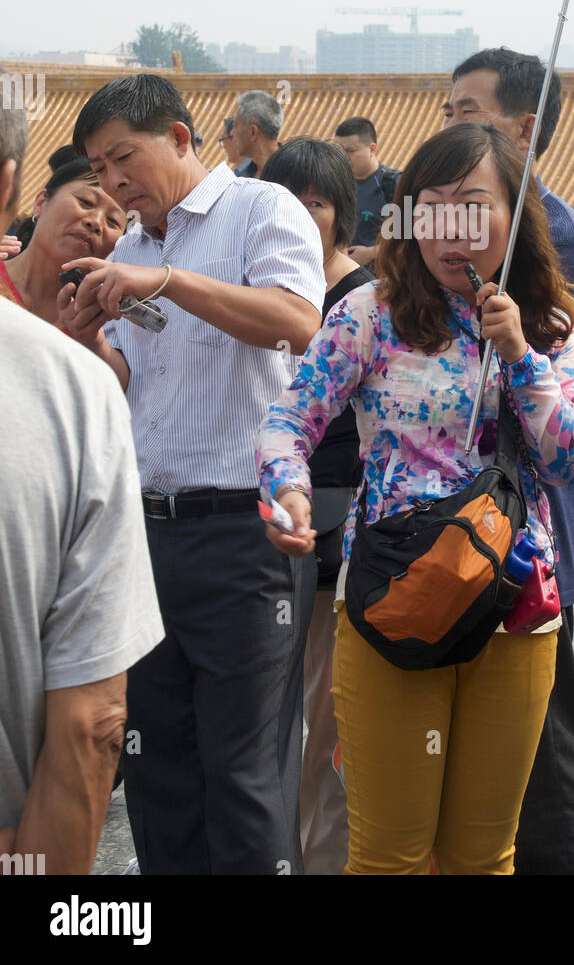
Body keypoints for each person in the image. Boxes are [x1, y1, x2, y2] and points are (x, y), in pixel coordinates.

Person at [257, 123, 574, 875]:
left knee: (484, 855)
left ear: (515, 215)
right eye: (432, 207)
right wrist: (288, 488)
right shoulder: (369, 315)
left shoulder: (552, 324)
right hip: (392, 601)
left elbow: (571, 455)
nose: (453, 229)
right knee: (389, 855)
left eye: (474, 206)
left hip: (515, 604)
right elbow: (289, 419)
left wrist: (519, 354)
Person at [60, 73, 325, 876]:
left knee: (243, 774)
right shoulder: (132, 249)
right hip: (146, 537)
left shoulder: (261, 210)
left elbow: (297, 323)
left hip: (245, 535)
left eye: (122, 158)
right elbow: (138, 393)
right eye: (98, 171)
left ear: (180, 137)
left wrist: (170, 284)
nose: (112, 184)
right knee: (158, 767)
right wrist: (91, 346)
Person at [442, 46, 574, 874]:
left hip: (527, 531)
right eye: (447, 113)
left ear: (524, 127)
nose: (450, 128)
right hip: (463, 532)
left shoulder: (546, 231)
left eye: (468, 112)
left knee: (546, 745)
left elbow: (557, 402)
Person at [0, 99, 163, 875]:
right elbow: (95, 719)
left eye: (112, 212)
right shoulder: (65, 388)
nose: (99, 217)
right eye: (85, 192)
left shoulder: (88, 362)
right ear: (22, 191)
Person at [260, 137, 374, 876]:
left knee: (331, 716)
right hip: (268, 519)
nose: (303, 216)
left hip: (341, 531)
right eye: (289, 200)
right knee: (269, 718)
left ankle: (321, 863)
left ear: (343, 213)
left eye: (319, 203)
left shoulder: (366, 300)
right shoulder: (256, 286)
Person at [0, 158, 125, 321]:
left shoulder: (97, 327)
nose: (95, 222)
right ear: (41, 202)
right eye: (85, 202)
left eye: (113, 221)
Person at [334, 117, 400, 268]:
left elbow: (413, 238)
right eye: (339, 151)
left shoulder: (394, 184)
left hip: (383, 276)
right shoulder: (336, 184)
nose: (343, 157)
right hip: (343, 275)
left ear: (372, 149)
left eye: (350, 151)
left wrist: (371, 253)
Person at [231, 89, 283, 176]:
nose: (232, 133)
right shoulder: (241, 177)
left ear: (253, 131)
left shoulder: (295, 170)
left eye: (235, 126)